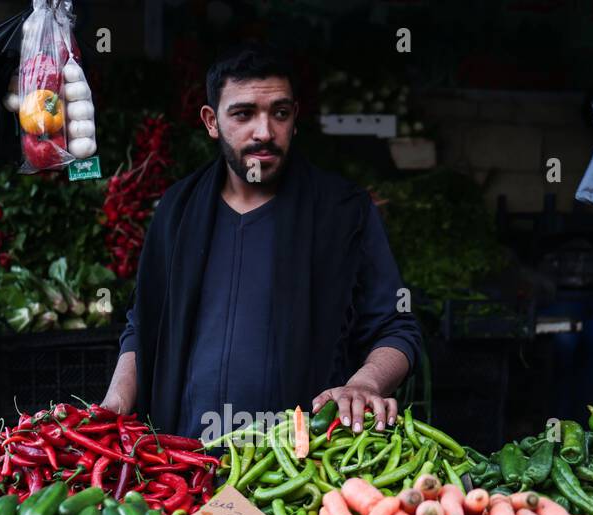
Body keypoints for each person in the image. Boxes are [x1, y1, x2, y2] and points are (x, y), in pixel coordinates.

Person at [101, 44, 421, 440]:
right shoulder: (178, 209)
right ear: (211, 121)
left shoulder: (343, 211)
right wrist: (114, 403)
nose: (265, 132)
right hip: (183, 463)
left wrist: (366, 384)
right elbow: (143, 322)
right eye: (243, 113)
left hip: (302, 470)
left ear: (295, 118)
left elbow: (396, 326)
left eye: (280, 114)